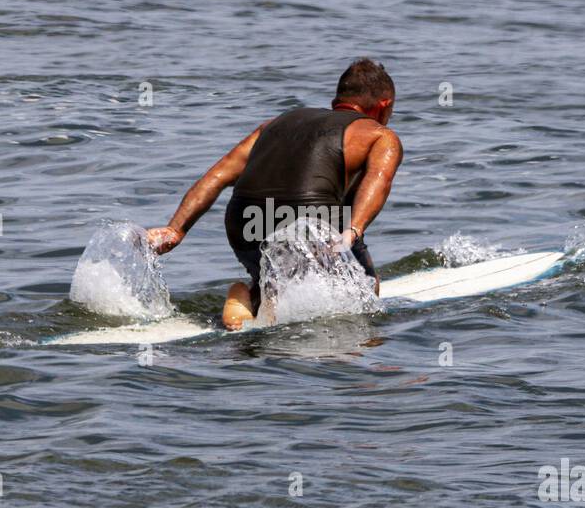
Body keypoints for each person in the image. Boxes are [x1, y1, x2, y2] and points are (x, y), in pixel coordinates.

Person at [146, 58, 404, 330]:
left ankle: (251, 295)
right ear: (384, 106)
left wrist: (175, 230)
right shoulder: (380, 135)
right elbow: (379, 179)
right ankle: (263, 300)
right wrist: (353, 229)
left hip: (243, 221)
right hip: (308, 220)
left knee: (270, 268)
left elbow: (218, 175)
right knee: (364, 285)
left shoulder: (273, 124)